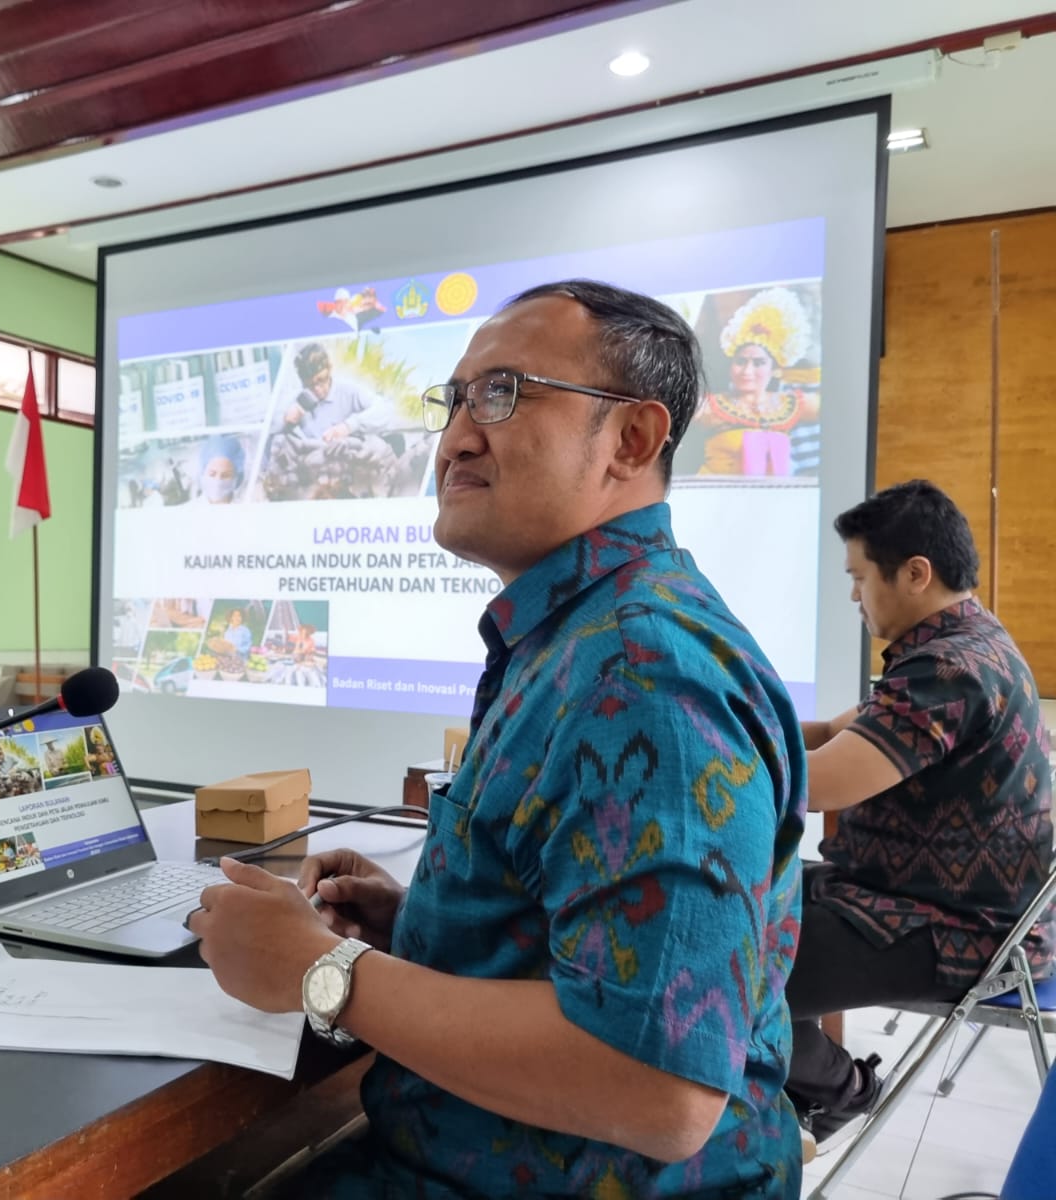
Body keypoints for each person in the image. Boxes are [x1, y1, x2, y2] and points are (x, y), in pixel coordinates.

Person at [190, 280, 807, 1196]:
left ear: (632, 441)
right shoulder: (579, 631)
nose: (457, 437)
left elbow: (660, 1090)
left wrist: (327, 971)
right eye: (454, 399)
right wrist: (435, 928)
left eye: (503, 394)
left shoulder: (644, 668)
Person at [787, 480, 1053, 1156]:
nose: (853, 595)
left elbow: (815, 784)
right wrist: (732, 715)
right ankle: (801, 1092)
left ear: (915, 573)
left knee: (724, 954)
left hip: (963, 928)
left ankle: (837, 1091)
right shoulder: (966, 641)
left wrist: (697, 755)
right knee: (757, 902)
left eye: (858, 576)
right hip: (928, 897)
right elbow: (828, 734)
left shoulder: (950, 670)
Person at [686, 287, 820, 477]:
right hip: (717, 498)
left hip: (775, 500)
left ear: (774, 370)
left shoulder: (791, 404)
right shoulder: (708, 407)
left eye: (758, 363)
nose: (747, 371)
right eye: (740, 362)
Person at [271, 342, 393, 443]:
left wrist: (348, 426)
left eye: (321, 380)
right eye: (310, 385)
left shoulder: (348, 390)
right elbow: (269, 429)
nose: (317, 389)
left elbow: (384, 410)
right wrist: (285, 420)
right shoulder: (299, 399)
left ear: (329, 369)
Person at [196, 437, 245, 504]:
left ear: (237, 478)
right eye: (212, 474)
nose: (218, 481)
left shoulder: (247, 510)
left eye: (226, 475)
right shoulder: (185, 512)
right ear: (202, 473)